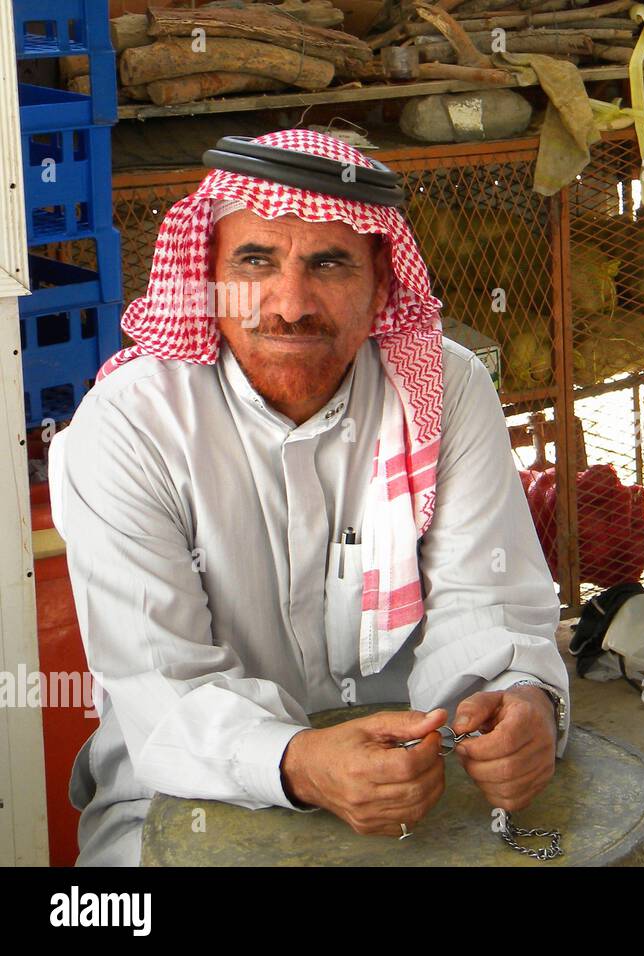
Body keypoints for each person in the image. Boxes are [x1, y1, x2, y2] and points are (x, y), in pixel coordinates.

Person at [49, 130, 569, 866]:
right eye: (255, 261)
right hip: (184, 803)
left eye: (329, 264)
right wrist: (294, 761)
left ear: (382, 284)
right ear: (208, 277)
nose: (290, 306)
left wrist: (522, 701)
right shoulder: (132, 423)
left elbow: (486, 605)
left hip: (417, 786)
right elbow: (158, 685)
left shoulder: (447, 391)